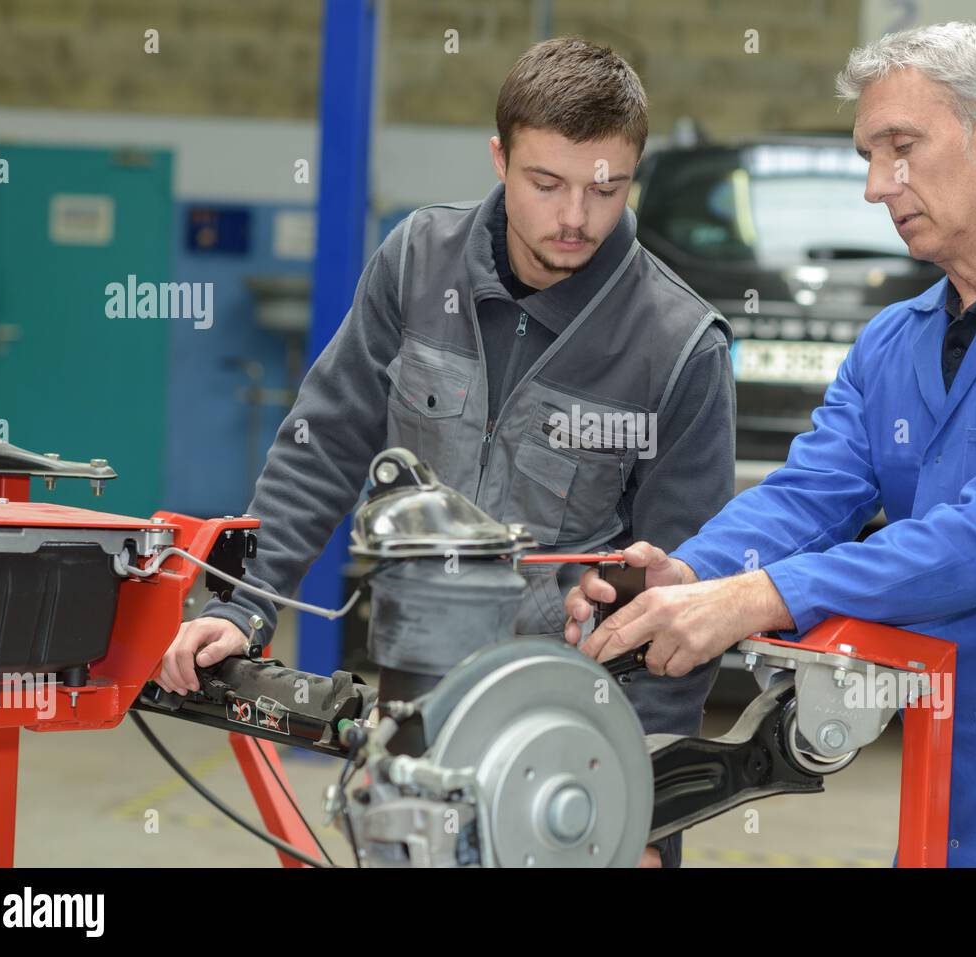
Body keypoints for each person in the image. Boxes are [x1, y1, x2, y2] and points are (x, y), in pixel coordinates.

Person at [566, 21, 976, 867]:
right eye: (869, 154)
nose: (875, 185)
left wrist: (758, 597)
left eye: (899, 147)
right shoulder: (893, 343)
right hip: (944, 761)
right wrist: (691, 573)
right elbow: (810, 495)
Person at [156, 37, 736, 868]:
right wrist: (239, 604)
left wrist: (640, 808)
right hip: (409, 714)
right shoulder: (417, 263)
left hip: (566, 748)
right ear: (500, 159)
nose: (575, 216)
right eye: (547, 183)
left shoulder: (679, 347)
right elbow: (323, 440)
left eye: (604, 187)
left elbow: (682, 594)